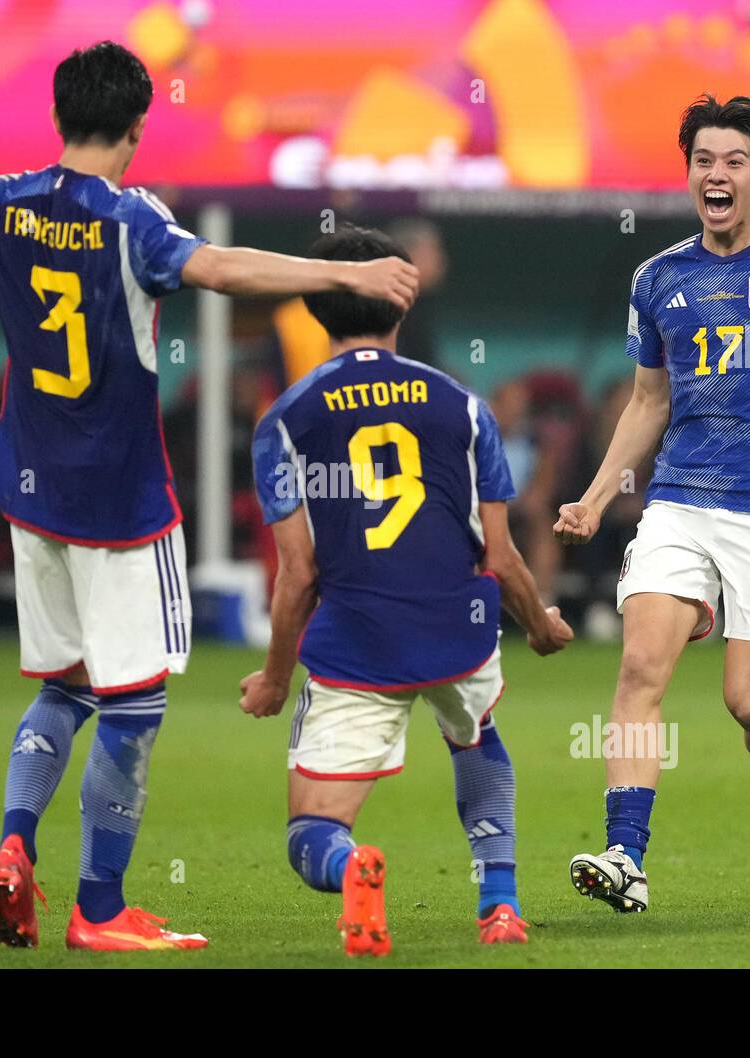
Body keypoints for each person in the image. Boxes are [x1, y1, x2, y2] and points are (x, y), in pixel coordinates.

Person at [0, 41, 417, 952]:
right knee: (133, 706)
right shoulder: (133, 219)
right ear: (139, 125)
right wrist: (343, 272)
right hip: (120, 501)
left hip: (29, 489)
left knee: (66, 685)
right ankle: (98, 909)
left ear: (59, 117)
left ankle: (16, 844)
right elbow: (222, 267)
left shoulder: (3, 202)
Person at [554, 95, 750, 911]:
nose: (716, 174)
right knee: (637, 666)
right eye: (703, 160)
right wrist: (592, 498)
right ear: (689, 171)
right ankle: (626, 856)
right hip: (678, 504)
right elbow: (647, 402)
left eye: (733, 161)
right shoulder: (657, 277)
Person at [241, 225, 572, 956]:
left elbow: (297, 577)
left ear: (314, 303)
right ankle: (501, 904)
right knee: (475, 734)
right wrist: (540, 625)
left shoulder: (285, 422)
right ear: (397, 302)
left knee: (310, 832)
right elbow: (502, 553)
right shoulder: (461, 406)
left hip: (359, 642)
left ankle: (352, 865)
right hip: (461, 624)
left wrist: (272, 679)